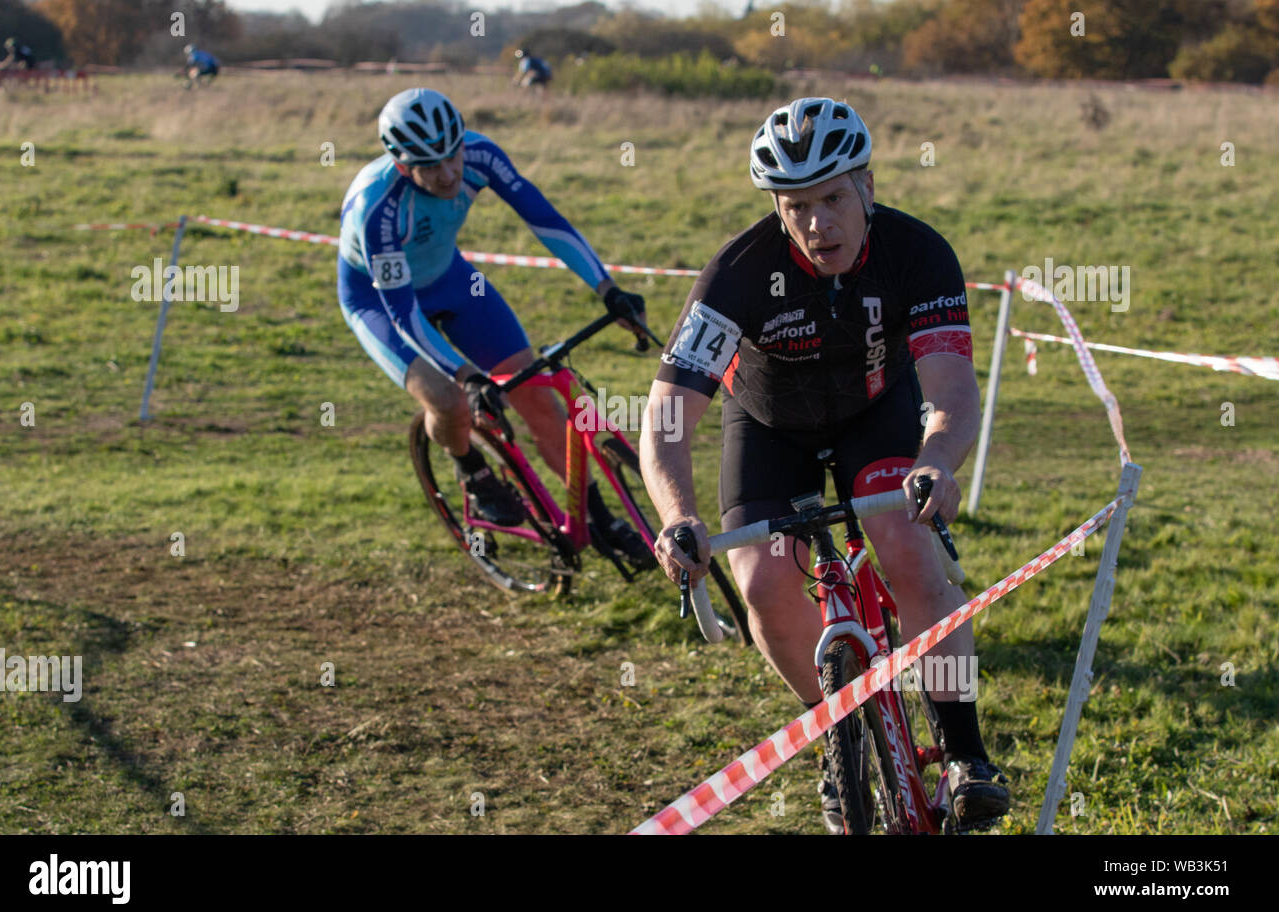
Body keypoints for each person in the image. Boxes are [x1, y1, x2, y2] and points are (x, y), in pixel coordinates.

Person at [639, 98, 1010, 833]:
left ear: (867, 186)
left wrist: (937, 463)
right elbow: (666, 419)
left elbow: (953, 392)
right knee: (764, 588)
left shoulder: (917, 253)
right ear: (777, 209)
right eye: (797, 206)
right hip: (769, 426)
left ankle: (967, 752)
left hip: (878, 415)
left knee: (911, 551)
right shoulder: (737, 275)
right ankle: (833, 737)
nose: (818, 223)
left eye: (834, 198)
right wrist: (678, 516)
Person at [338, 88, 651, 561]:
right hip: (378, 302)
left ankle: (598, 518)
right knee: (447, 400)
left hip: (450, 277)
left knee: (538, 401)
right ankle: (469, 466)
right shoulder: (377, 210)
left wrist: (608, 289)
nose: (448, 175)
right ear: (403, 167)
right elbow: (403, 313)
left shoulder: (481, 154)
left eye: (452, 157)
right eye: (430, 166)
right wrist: (467, 376)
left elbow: (543, 220)